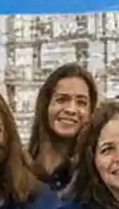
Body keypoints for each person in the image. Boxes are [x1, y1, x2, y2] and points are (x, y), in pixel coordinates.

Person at [29, 63, 98, 192]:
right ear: (46, 105)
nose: (71, 109)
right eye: (62, 100)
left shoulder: (95, 176)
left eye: (81, 102)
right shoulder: (19, 169)